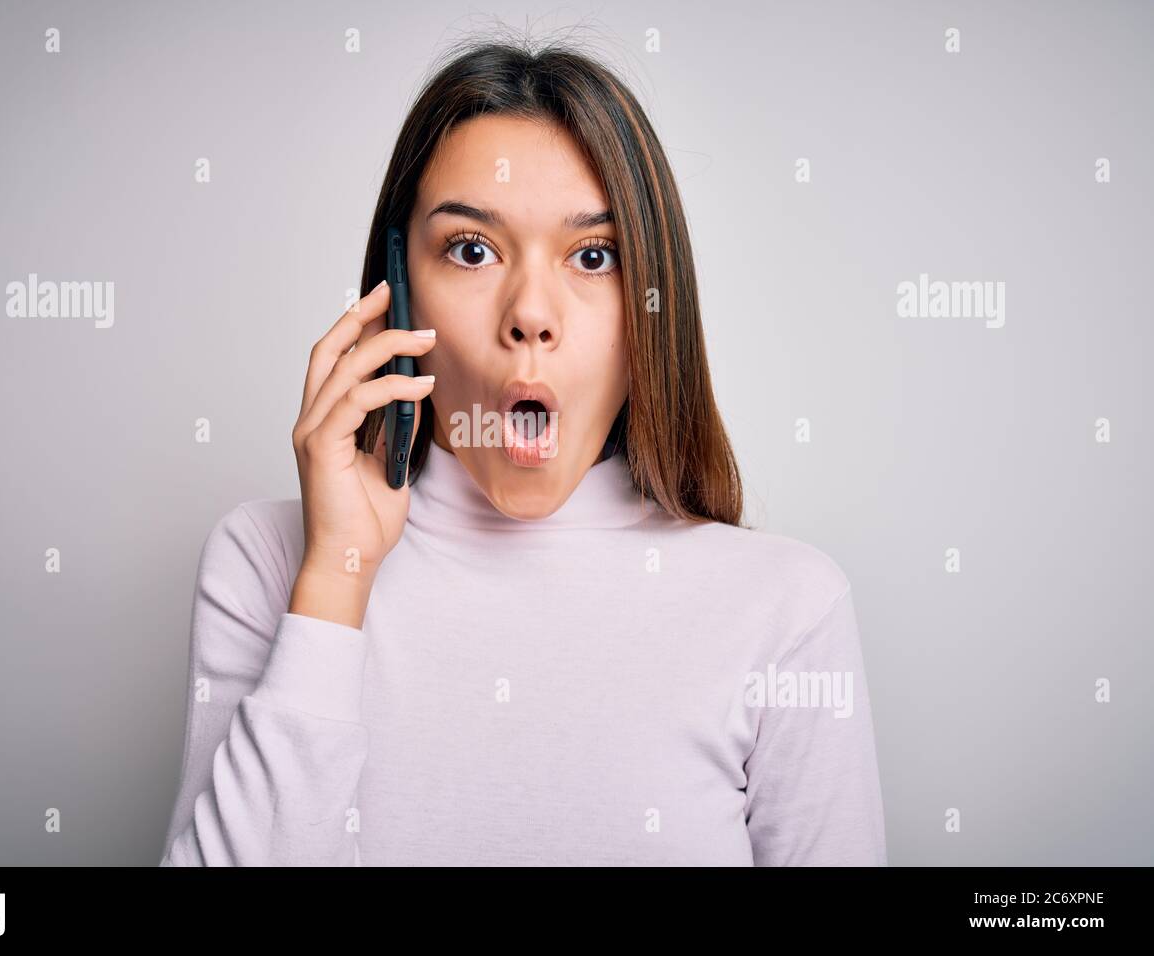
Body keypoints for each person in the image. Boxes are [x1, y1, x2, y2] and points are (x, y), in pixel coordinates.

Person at [159, 37, 886, 866]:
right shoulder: (268, 564)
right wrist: (337, 578)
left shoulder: (787, 609)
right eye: (472, 250)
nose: (531, 314)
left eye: (593, 256)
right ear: (397, 286)